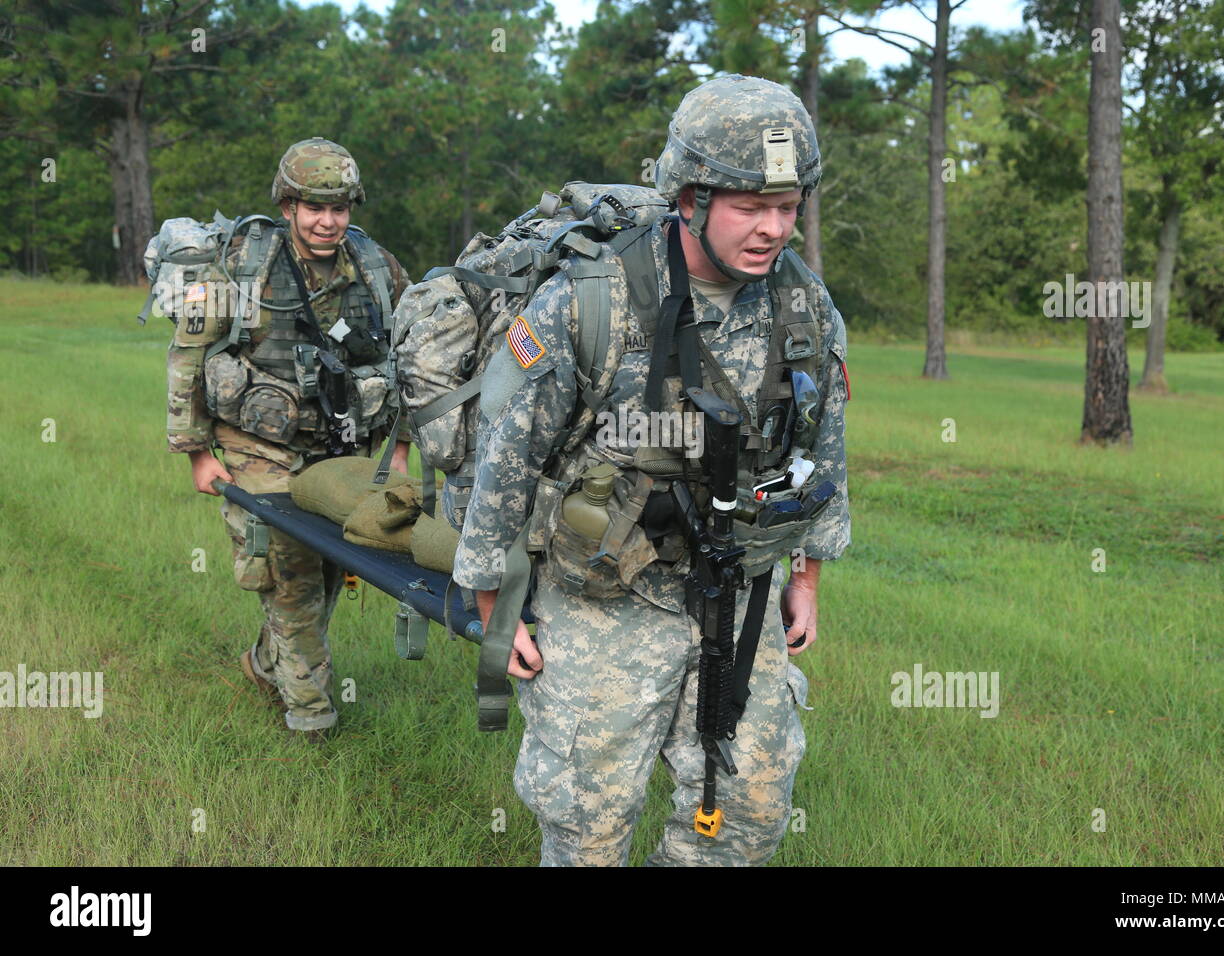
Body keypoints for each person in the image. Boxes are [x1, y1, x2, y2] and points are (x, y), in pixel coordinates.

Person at [452, 74, 851, 865]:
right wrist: (495, 601)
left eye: (788, 206)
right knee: (588, 827)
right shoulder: (590, 303)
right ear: (690, 198)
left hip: (739, 591)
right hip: (606, 594)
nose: (774, 229)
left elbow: (821, 446)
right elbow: (509, 451)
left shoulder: (804, 307)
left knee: (753, 810)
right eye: (750, 206)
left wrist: (806, 575)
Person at [166, 137, 412, 737]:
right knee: (293, 578)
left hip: (342, 449)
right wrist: (198, 453)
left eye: (339, 208)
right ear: (287, 206)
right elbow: (187, 356)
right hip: (260, 448)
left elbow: (414, 362)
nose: (327, 222)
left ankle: (263, 663)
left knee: (330, 570)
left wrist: (400, 449)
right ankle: (312, 718)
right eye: (313, 208)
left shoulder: (379, 270)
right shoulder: (243, 266)